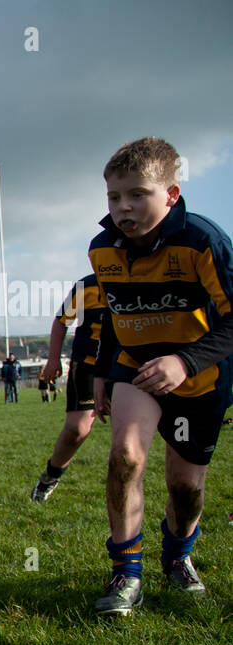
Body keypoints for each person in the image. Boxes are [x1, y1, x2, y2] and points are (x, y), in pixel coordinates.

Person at [90, 137, 233, 615]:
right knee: (125, 457)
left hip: (202, 376)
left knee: (184, 487)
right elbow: (115, 312)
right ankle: (126, 574)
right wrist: (102, 373)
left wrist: (185, 361)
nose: (123, 207)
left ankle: (178, 558)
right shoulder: (102, 248)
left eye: (137, 195)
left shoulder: (203, 241)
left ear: (171, 194)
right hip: (136, 369)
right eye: (114, 197)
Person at [30, 276, 107, 502]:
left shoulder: (143, 278)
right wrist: (53, 359)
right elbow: (62, 320)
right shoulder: (87, 286)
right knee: (77, 429)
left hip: (124, 365)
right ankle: (51, 476)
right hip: (87, 365)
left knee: (127, 441)